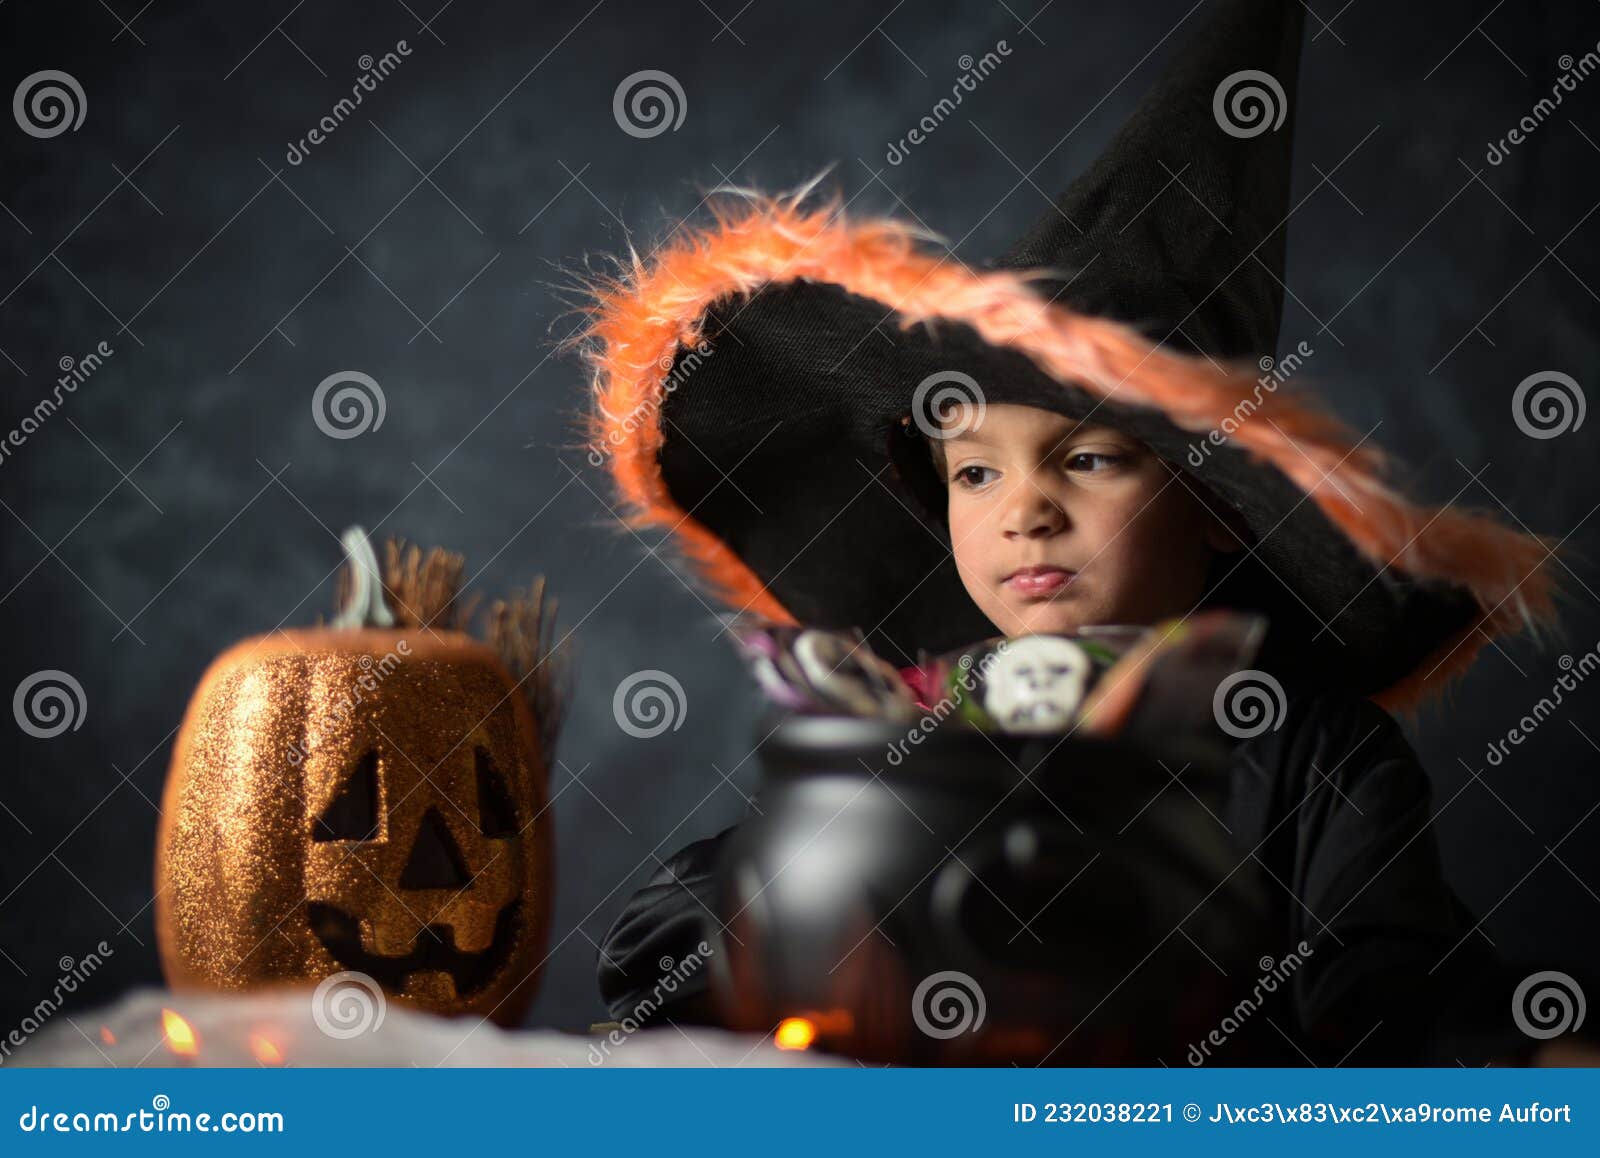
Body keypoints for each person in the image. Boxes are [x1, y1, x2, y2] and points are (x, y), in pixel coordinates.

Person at [576, 0, 1596, 1063]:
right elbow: (722, 926)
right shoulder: (905, 731)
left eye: (1091, 458)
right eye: (975, 472)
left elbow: (1386, 985)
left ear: (1215, 509)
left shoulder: (1311, 755)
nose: (1025, 510)